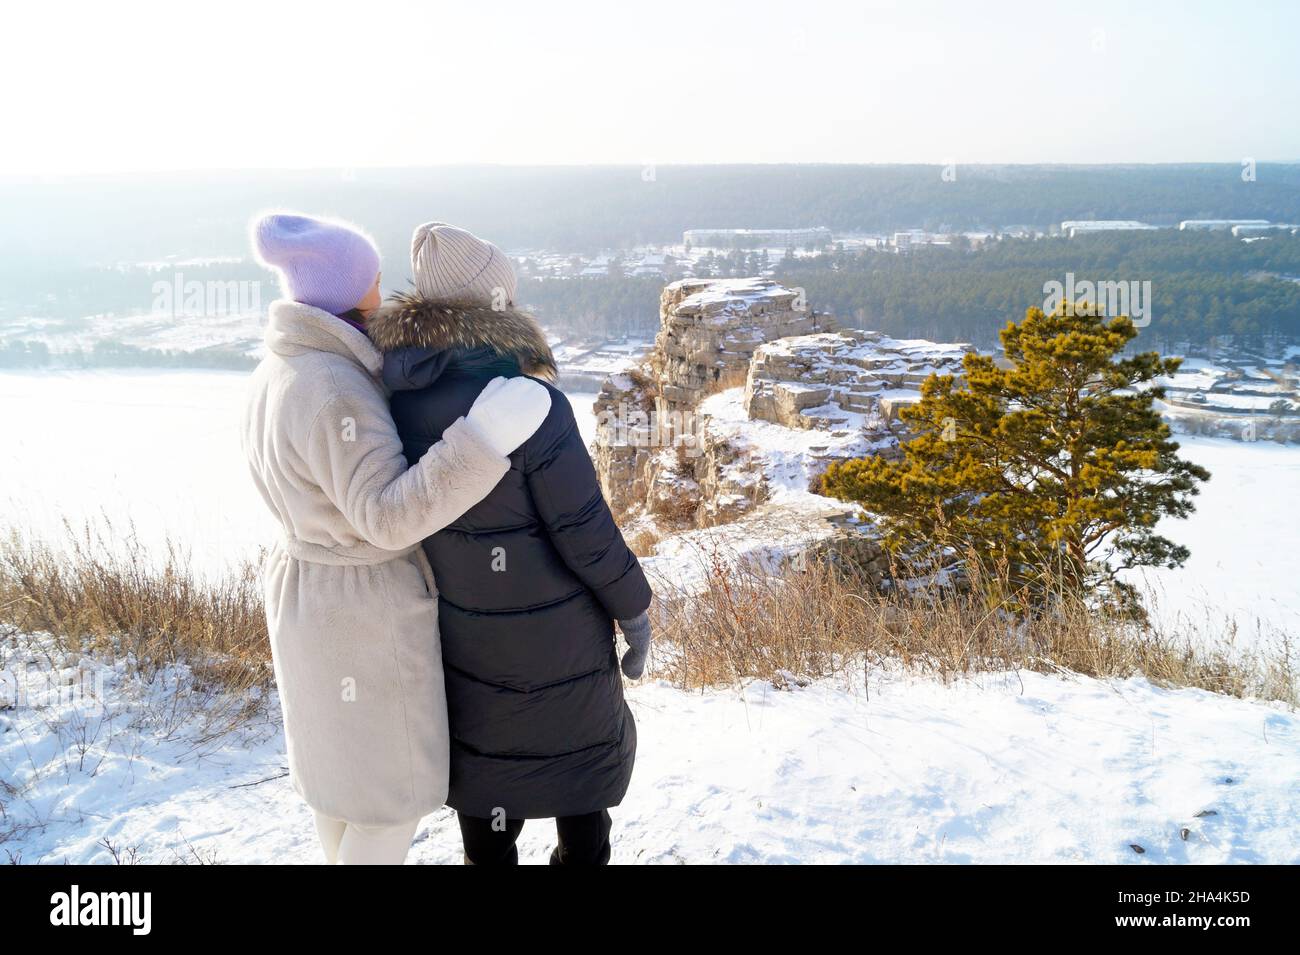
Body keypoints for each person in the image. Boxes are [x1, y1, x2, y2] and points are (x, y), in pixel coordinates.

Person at [242, 213, 551, 864]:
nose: (385, 293)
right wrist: (482, 439)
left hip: (308, 597)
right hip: (362, 614)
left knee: (339, 788)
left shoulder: (281, 366)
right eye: (376, 280)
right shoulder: (336, 390)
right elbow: (386, 515)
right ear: (351, 292)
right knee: (389, 799)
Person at [368, 222, 653, 865]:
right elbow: (585, 532)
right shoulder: (529, 405)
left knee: (490, 798)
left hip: (462, 639)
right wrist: (633, 608)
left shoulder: (392, 401)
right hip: (563, 641)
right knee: (581, 790)